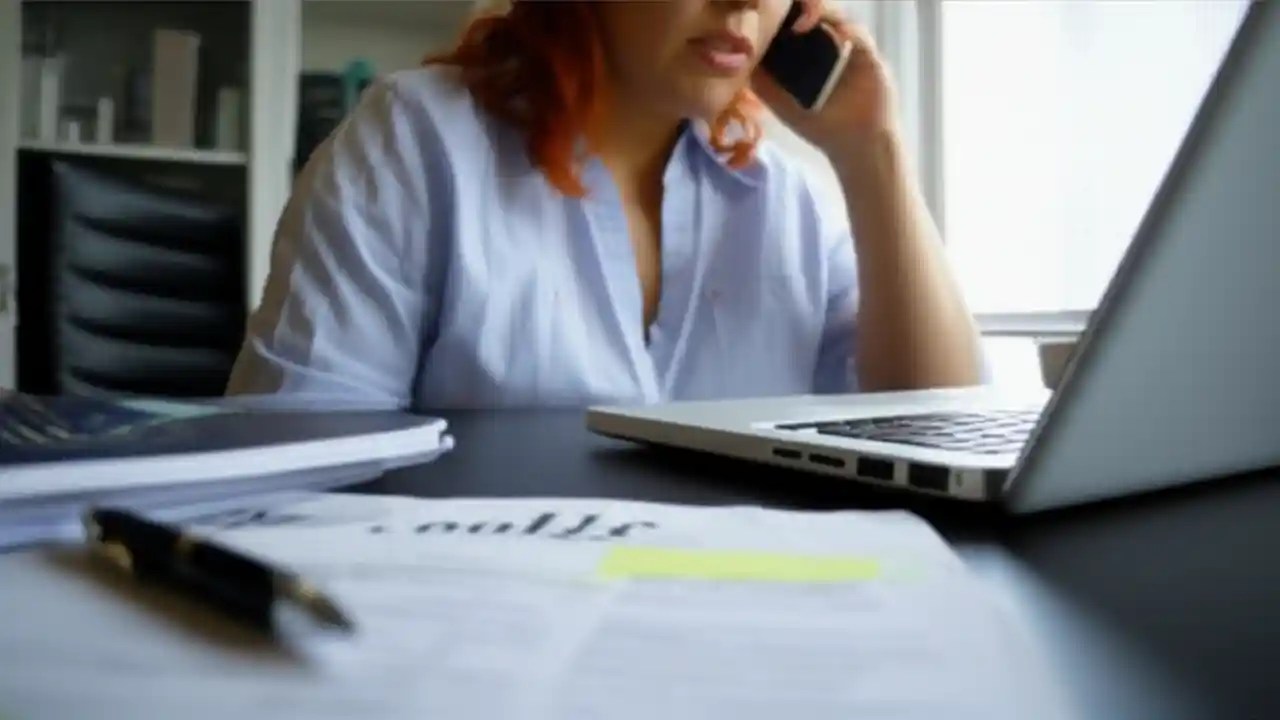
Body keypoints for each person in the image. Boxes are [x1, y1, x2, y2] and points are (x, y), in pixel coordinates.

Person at [225, 0, 984, 410]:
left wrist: (872, 152)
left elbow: (941, 432)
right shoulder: (419, 141)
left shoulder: (786, 202)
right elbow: (299, 459)